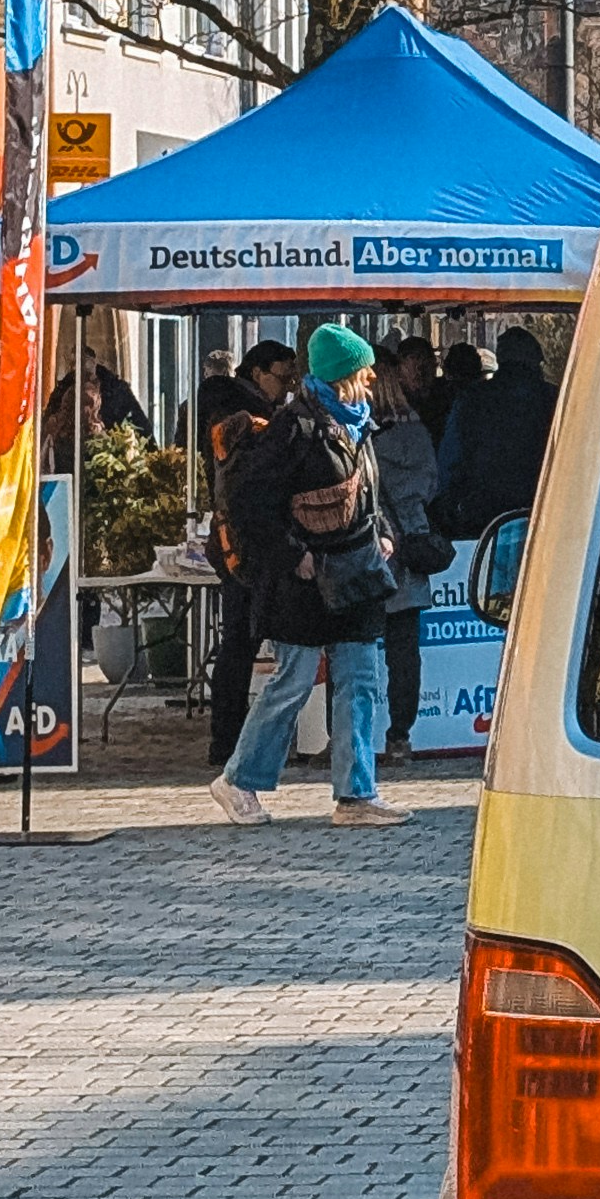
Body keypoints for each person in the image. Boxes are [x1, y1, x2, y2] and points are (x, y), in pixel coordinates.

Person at [212, 322, 405, 827]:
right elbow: (250, 499)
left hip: (355, 572)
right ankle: (238, 780)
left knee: (360, 679)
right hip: (305, 582)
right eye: (363, 374)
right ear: (343, 376)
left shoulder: (358, 425)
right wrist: (289, 554)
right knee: (292, 682)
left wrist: (383, 531)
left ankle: (356, 795)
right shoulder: (294, 427)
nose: (370, 384)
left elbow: (369, 493)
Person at [203, 339, 300, 766]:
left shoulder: (228, 411)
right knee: (249, 642)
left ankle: (227, 737)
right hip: (248, 545)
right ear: (258, 373)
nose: (288, 387)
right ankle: (234, 741)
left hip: (232, 543)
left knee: (237, 644)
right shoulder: (248, 419)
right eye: (283, 377)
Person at [372, 340, 450, 764]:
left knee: (355, 647)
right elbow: (431, 483)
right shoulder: (416, 430)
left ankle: (346, 732)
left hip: (369, 547)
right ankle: (400, 733)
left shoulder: (361, 434)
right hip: (411, 539)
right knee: (405, 651)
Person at [432, 326, 555, 539]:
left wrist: (451, 504)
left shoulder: (472, 399)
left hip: (481, 515)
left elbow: (449, 460)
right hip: (543, 510)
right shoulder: (556, 400)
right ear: (535, 361)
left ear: (501, 358)